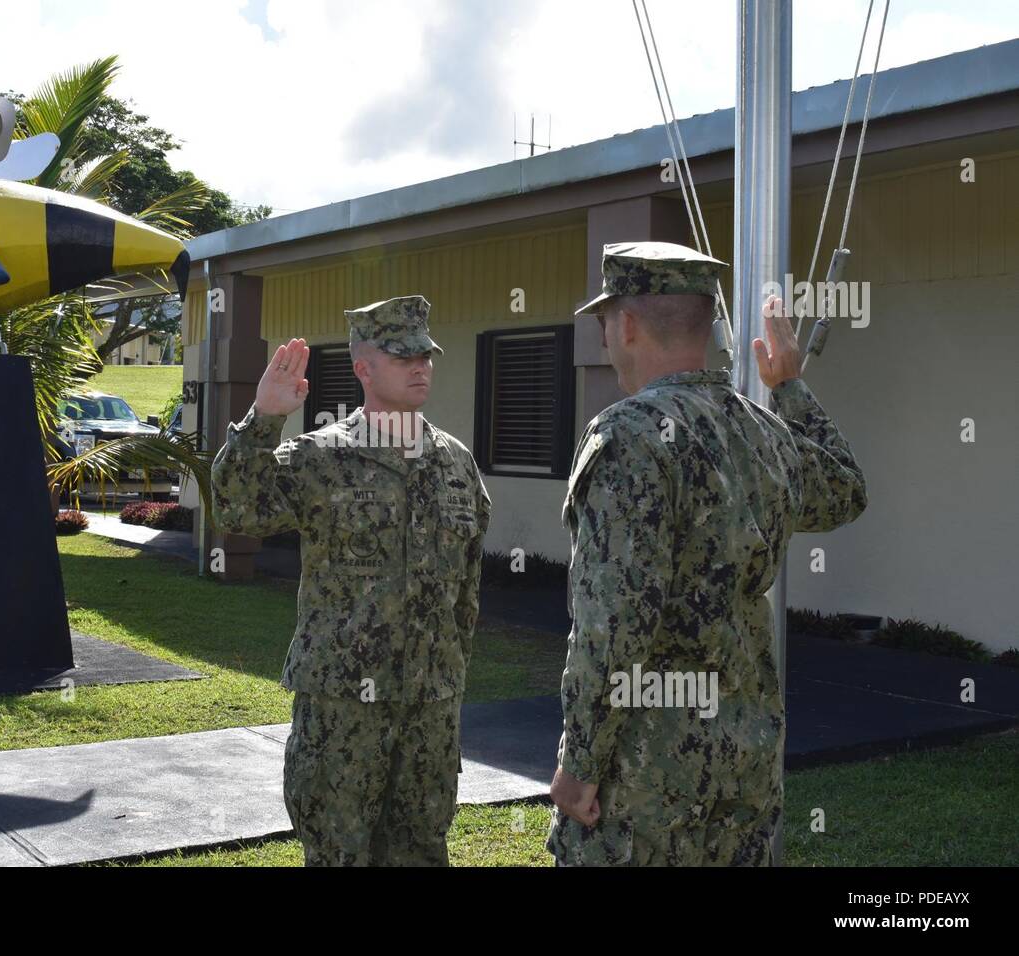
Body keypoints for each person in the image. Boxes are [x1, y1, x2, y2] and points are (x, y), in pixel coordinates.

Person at [547, 241, 868, 866]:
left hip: (647, 781)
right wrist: (791, 387)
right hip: (743, 765)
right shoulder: (763, 428)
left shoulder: (627, 439)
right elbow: (844, 489)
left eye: (605, 321)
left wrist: (579, 764)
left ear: (629, 324)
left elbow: (612, 628)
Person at [211, 294, 491, 866]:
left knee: (421, 850)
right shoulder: (322, 458)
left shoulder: (456, 463)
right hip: (343, 707)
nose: (420, 367)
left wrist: (451, 675)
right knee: (339, 852)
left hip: (429, 707)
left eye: (426, 356)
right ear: (363, 367)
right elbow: (238, 511)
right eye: (402, 355)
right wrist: (264, 419)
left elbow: (467, 591)